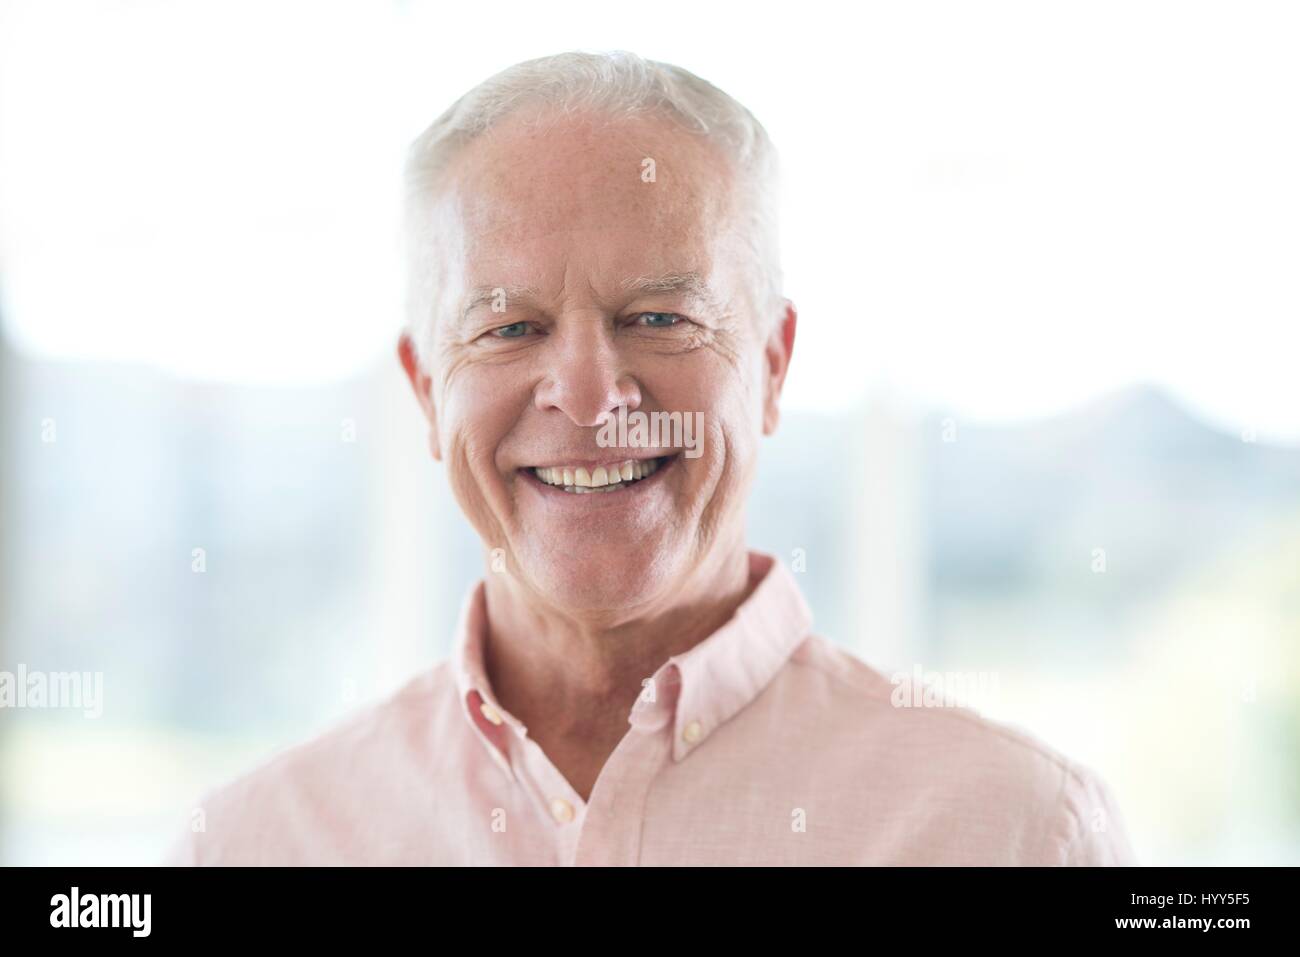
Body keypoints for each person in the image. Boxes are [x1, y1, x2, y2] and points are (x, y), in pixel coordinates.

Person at [163, 50, 1136, 866]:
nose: (587, 397)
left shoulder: (1013, 834)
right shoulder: (256, 846)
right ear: (425, 391)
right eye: (510, 328)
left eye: (658, 318)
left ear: (770, 364)